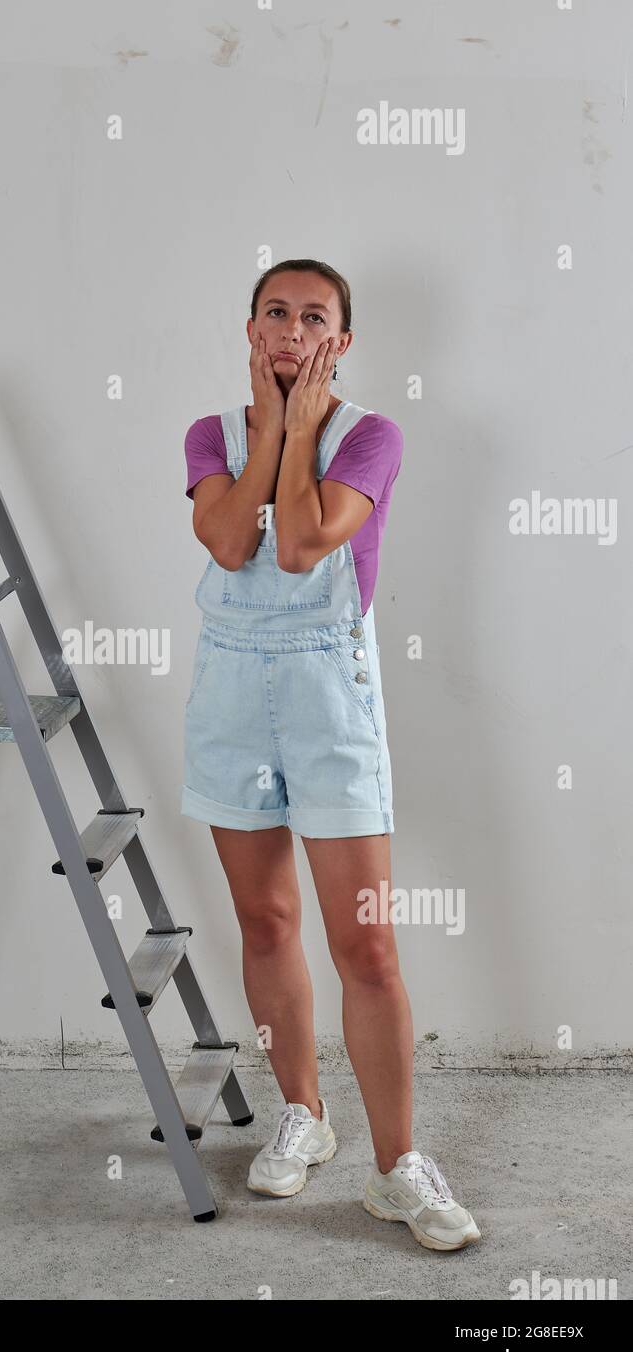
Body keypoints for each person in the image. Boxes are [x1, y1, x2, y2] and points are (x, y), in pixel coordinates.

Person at [181, 259, 480, 1252]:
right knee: (266, 920)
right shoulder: (211, 436)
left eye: (315, 318)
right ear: (250, 329)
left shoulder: (371, 438)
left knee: (368, 946)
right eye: (276, 311)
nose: (293, 329)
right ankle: (303, 1113)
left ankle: (397, 1168)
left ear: (341, 342)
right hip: (231, 699)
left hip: (327, 699)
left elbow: (302, 545)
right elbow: (230, 543)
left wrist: (301, 431)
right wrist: (270, 432)